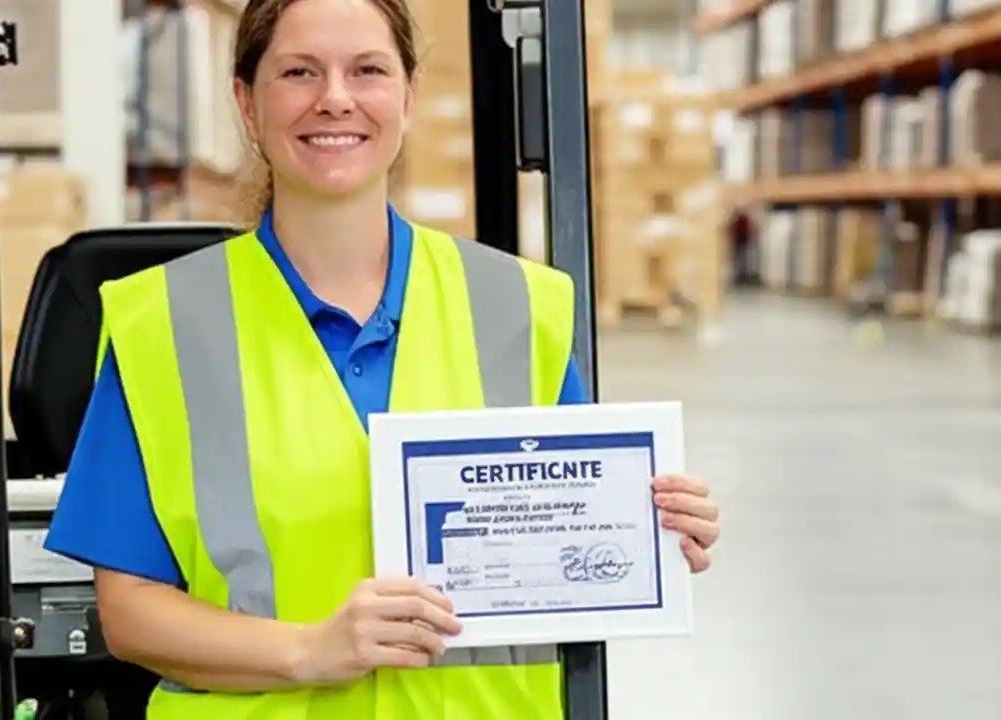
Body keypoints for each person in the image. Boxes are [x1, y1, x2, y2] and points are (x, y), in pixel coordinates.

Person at [43, 0, 722, 717]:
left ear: (408, 95)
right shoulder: (166, 324)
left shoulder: (516, 306)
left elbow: (570, 542)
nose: (335, 98)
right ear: (246, 101)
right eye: (299, 72)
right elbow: (130, 611)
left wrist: (654, 529)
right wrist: (309, 651)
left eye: (367, 70)